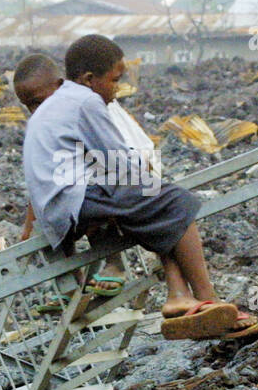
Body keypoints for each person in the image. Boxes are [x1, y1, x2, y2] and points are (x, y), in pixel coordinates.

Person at [20, 34, 258, 340]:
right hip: (74, 199)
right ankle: (211, 299)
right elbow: (120, 162)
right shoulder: (85, 101)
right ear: (90, 79)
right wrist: (152, 179)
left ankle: (178, 295)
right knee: (177, 201)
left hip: (60, 206)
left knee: (154, 206)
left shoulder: (59, 104)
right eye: (115, 80)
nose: (118, 89)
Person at [12, 52, 160, 297]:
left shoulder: (82, 108)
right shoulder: (50, 121)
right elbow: (43, 179)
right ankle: (73, 287)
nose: (34, 111)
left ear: (59, 86)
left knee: (85, 203)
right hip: (94, 182)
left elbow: (121, 161)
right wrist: (30, 227)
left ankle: (114, 264)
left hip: (132, 172)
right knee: (59, 212)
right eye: (28, 106)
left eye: (37, 102)